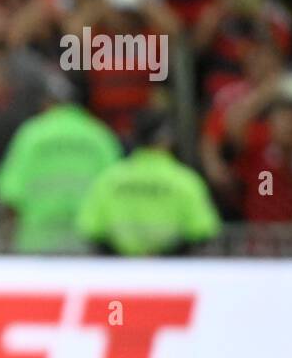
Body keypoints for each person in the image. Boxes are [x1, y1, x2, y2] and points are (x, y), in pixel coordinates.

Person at [0, 75, 123, 253]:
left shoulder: (32, 135)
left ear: (47, 102)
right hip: (87, 245)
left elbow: (6, 196)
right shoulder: (100, 136)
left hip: (35, 244)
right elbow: (119, 193)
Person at [76, 110, 221, 256]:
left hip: (119, 273)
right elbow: (203, 232)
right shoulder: (185, 181)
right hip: (172, 273)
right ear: (168, 140)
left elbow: (91, 230)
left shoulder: (108, 180)